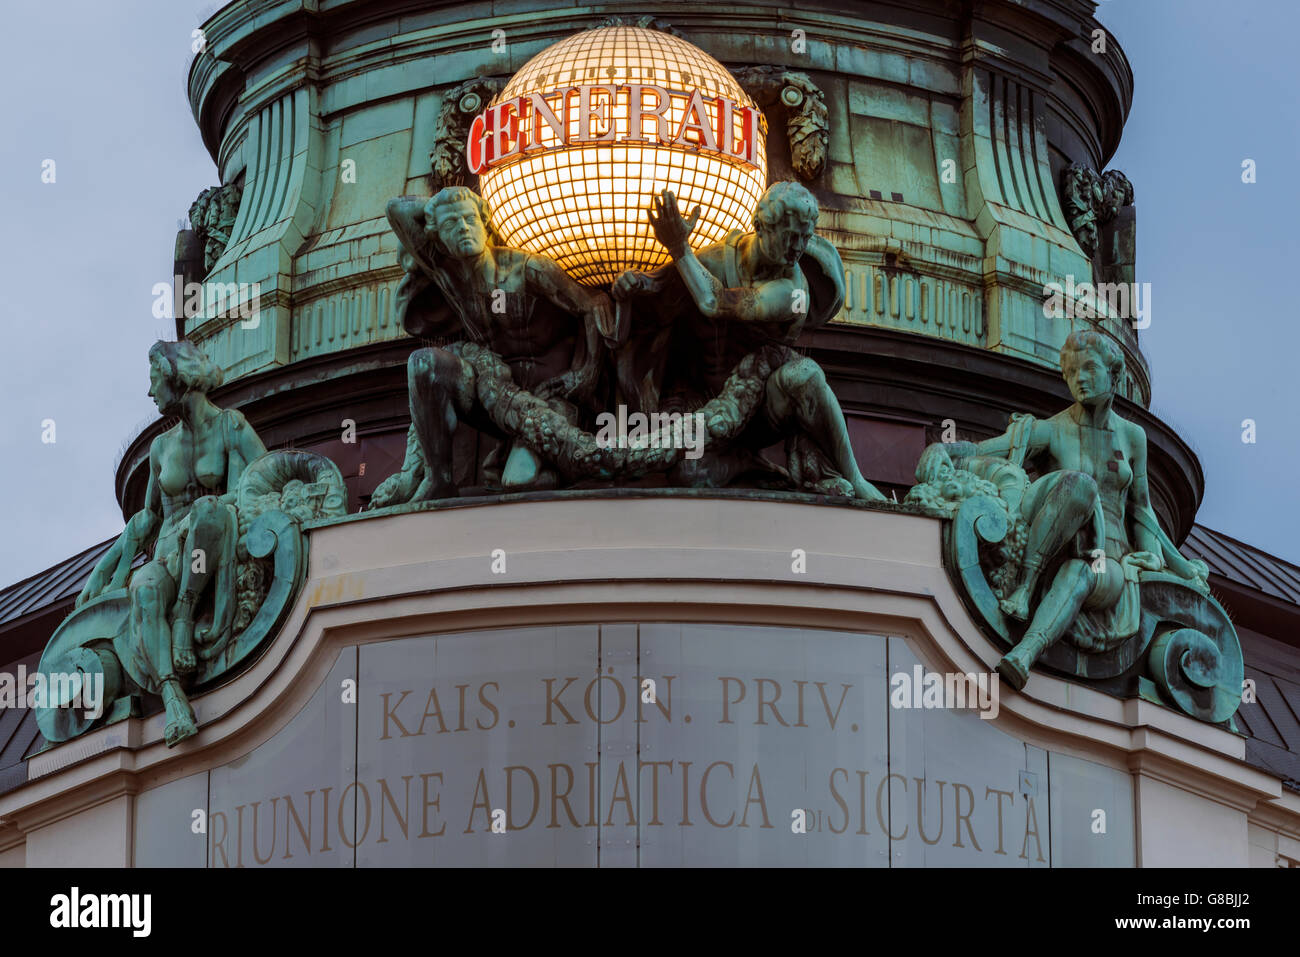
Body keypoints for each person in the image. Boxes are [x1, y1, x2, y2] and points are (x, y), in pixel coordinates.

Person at [947, 330, 1208, 689]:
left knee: (1083, 571)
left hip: (1110, 560)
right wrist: (948, 452)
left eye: (1089, 368)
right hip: (1056, 544)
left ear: (1113, 375)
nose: (1079, 379)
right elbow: (987, 450)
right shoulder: (1051, 430)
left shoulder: (1133, 437)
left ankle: (1024, 654)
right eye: (1071, 372)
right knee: (1080, 485)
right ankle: (1024, 584)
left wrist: (1171, 563)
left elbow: (1141, 509)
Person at [611, 183, 884, 499]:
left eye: (805, 238)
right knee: (688, 474)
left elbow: (715, 302)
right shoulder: (715, 260)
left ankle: (856, 477)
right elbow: (661, 288)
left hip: (759, 410)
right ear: (761, 227)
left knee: (804, 375)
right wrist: (633, 283)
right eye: (790, 235)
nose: (798, 247)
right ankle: (749, 465)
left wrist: (679, 247)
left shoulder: (793, 291)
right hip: (696, 405)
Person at [76, 340, 266, 744]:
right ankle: (172, 695)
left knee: (208, 511)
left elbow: (258, 486)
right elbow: (147, 519)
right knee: (144, 590)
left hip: (208, 543)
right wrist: (106, 568)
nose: (150, 393)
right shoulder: (161, 448)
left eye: (154, 381)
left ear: (178, 379)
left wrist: (200, 515)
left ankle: (183, 615)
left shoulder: (231, 427)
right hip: (169, 553)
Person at [379, 186, 614, 501]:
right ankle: (439, 479)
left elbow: (594, 304)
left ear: (485, 223)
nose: (462, 228)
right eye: (451, 225)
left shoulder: (529, 268)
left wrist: (585, 373)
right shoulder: (447, 272)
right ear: (438, 238)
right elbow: (397, 208)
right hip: (489, 393)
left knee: (519, 482)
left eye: (468, 219)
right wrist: (443, 204)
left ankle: (547, 461)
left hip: (547, 400)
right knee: (424, 363)